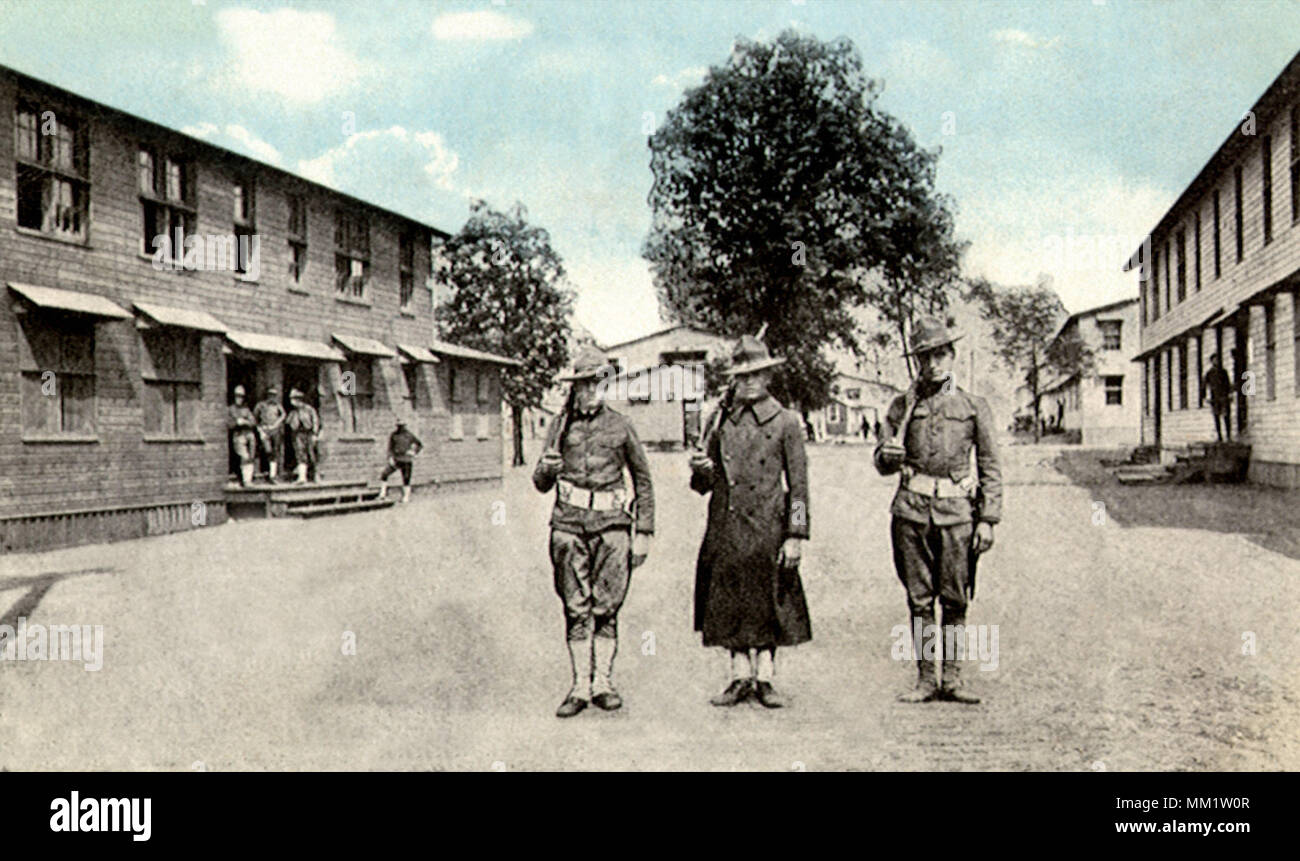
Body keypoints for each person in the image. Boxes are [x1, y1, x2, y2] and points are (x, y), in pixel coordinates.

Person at [874, 317, 1002, 705]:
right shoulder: (902, 407)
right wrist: (887, 456)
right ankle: (927, 679)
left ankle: (953, 678)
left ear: (952, 355)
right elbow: (881, 459)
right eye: (924, 357)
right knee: (919, 600)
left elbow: (991, 466)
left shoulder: (973, 406)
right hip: (911, 512)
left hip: (957, 514)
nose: (932, 364)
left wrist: (988, 519)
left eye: (939, 355)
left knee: (956, 598)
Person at [689, 335, 811, 709]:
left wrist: (796, 535)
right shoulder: (719, 421)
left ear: (768, 376)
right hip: (726, 526)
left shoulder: (787, 422)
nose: (749, 382)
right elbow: (701, 485)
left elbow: (800, 487)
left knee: (768, 600)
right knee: (729, 600)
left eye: (756, 374)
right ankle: (740, 675)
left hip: (769, 528)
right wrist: (701, 471)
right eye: (742, 376)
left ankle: (766, 677)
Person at [533, 344, 654, 718]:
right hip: (568, 526)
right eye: (583, 385)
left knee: (607, 608)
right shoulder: (558, 425)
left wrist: (645, 529)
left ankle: (602, 682)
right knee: (574, 607)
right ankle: (579, 686)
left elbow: (643, 480)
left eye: (596, 384)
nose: (589, 391)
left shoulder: (621, 425)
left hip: (612, 528)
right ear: (574, 388)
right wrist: (548, 470)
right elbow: (540, 482)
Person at [379, 418, 423, 503]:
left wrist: (414, 452)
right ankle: (383, 494)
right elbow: (390, 448)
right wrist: (390, 458)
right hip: (396, 459)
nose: (400, 427)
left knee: (406, 479)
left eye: (402, 426)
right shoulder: (394, 435)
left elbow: (419, 445)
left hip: (406, 460)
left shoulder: (409, 435)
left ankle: (406, 497)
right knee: (384, 474)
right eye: (398, 426)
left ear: (405, 426)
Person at [286, 388, 321, 484]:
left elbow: (315, 421)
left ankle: (316, 475)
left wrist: (315, 433)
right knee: (300, 454)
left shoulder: (309, 409)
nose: (292, 401)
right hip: (298, 434)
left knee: (312, 454)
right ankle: (302, 478)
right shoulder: (293, 412)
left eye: (294, 399)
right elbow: (288, 422)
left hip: (309, 433)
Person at [253, 384, 286, 483]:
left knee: (274, 452)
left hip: (274, 431)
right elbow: (254, 418)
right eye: (270, 395)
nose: (272, 397)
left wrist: (277, 423)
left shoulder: (277, 406)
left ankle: (272, 475)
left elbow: (283, 414)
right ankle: (258, 473)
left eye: (274, 395)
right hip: (264, 430)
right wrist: (260, 429)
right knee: (265, 450)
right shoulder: (261, 405)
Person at [228, 385, 257, 487]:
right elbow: (229, 424)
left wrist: (244, 421)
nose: (239, 399)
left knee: (251, 456)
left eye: (241, 396)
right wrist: (237, 422)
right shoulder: (230, 409)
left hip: (249, 433)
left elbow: (253, 422)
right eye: (237, 396)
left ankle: (249, 479)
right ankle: (245, 480)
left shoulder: (246, 409)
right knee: (244, 456)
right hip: (238, 434)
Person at [1203, 352, 1232, 441]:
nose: (1216, 361)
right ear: (1211, 361)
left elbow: (1228, 384)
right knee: (1216, 417)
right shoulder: (1209, 373)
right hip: (1214, 398)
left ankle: (1228, 436)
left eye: (1217, 359)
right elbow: (1204, 385)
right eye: (1214, 360)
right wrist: (1204, 396)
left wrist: (1229, 394)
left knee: (1226, 416)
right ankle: (1220, 437)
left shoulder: (1223, 372)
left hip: (1224, 396)